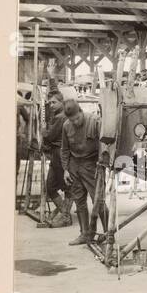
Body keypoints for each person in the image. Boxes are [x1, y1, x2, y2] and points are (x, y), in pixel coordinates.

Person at [60, 98, 107, 246]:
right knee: (79, 201)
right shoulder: (66, 126)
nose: (75, 122)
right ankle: (85, 234)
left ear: (81, 111)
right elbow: (65, 149)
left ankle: (107, 234)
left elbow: (104, 144)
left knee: (98, 201)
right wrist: (66, 170)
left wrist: (102, 164)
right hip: (75, 166)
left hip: (92, 165)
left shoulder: (95, 121)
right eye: (72, 120)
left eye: (77, 118)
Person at [38, 91, 71, 228]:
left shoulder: (61, 117)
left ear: (62, 103)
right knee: (51, 186)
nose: (51, 105)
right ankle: (64, 213)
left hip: (60, 154)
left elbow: (49, 136)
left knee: (64, 187)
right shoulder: (59, 116)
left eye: (54, 102)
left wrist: (44, 131)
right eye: (49, 103)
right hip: (57, 154)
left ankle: (65, 216)